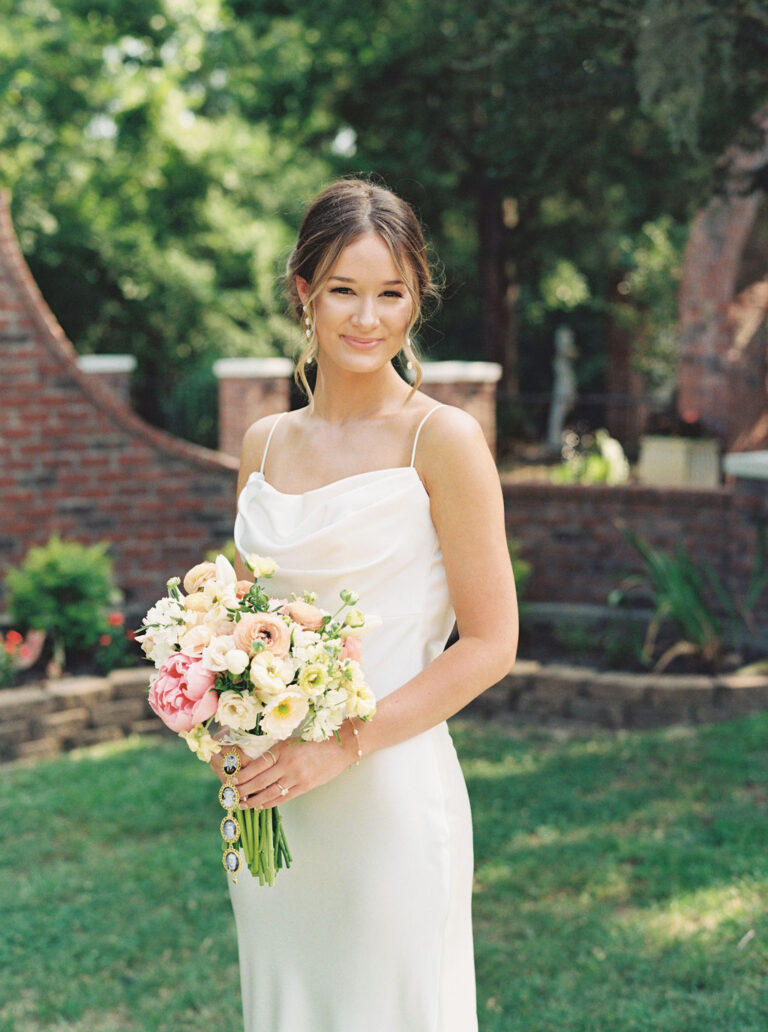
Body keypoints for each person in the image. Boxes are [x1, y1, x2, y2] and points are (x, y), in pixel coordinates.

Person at [212, 178, 518, 1032]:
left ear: (417, 299)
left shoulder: (442, 439)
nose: (367, 317)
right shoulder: (264, 442)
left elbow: (491, 641)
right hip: (268, 804)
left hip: (388, 795)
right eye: (344, 289)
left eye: (392, 293)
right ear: (302, 290)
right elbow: (242, 625)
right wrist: (220, 722)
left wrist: (340, 747)